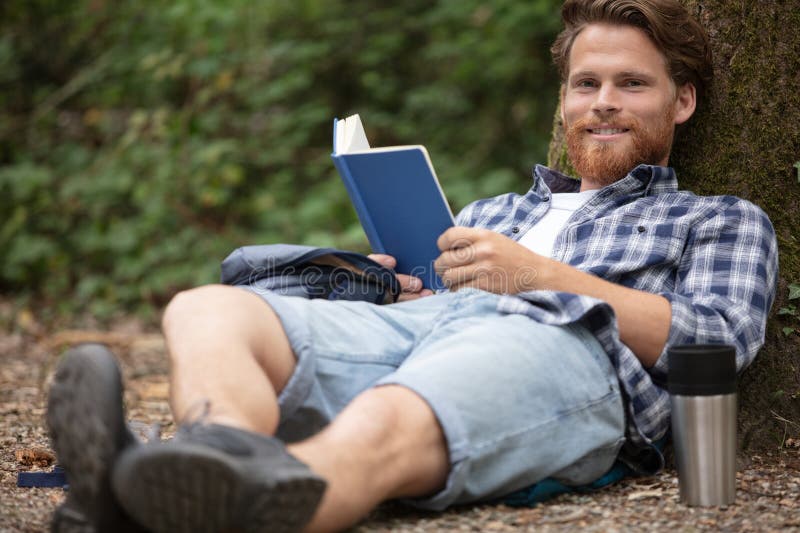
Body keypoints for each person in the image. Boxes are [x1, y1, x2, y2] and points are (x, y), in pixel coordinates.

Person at [46, 1, 779, 532]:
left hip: (567, 355)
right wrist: (386, 289)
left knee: (384, 416)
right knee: (206, 309)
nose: (604, 103)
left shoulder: (721, 219)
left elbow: (715, 343)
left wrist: (537, 275)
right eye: (586, 84)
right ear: (563, 100)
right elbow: (427, 318)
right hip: (427, 332)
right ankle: (216, 454)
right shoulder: (492, 213)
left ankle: (175, 503)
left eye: (632, 84)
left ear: (682, 101)